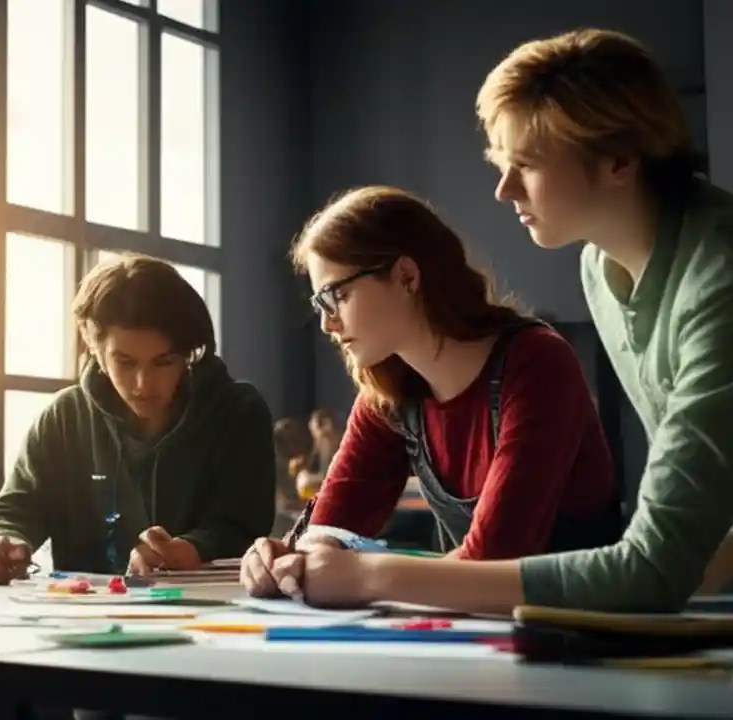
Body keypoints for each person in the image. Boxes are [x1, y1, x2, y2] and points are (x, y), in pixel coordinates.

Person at [248, 29, 733, 614]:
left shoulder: (718, 279)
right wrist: (299, 557)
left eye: (524, 164)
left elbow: (649, 565)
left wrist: (371, 575)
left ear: (619, 160)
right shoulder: (600, 269)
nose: (503, 189)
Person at [239, 185, 619, 604]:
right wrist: (289, 562)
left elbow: (494, 560)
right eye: (320, 304)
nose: (328, 325)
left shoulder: (538, 362)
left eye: (338, 296)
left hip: (580, 631)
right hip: (474, 635)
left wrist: (361, 573)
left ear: (407, 276)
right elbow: (327, 528)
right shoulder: (388, 391)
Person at [0, 254, 276, 582]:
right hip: (85, 615)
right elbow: (15, 507)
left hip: (209, 608)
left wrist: (192, 549)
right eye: (125, 362)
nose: (143, 384)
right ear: (94, 347)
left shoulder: (237, 411)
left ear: (189, 352)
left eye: (163, 362)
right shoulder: (64, 419)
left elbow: (242, 523)